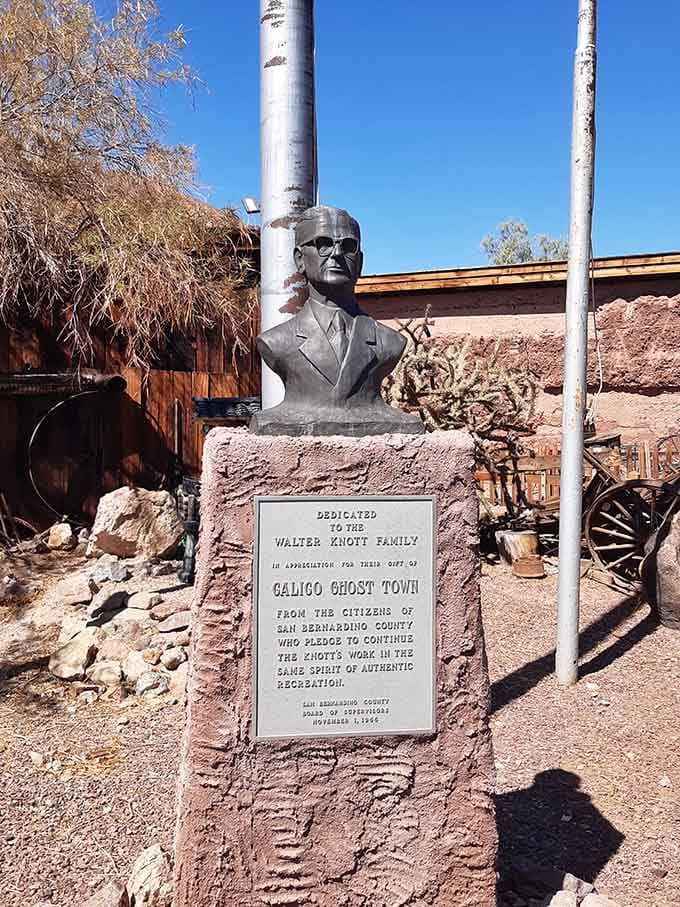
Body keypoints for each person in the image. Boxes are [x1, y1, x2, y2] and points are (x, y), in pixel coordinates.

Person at [250, 205, 423, 436]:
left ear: (359, 262)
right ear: (300, 259)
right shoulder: (277, 342)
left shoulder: (389, 341)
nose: (337, 253)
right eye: (323, 244)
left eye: (348, 246)